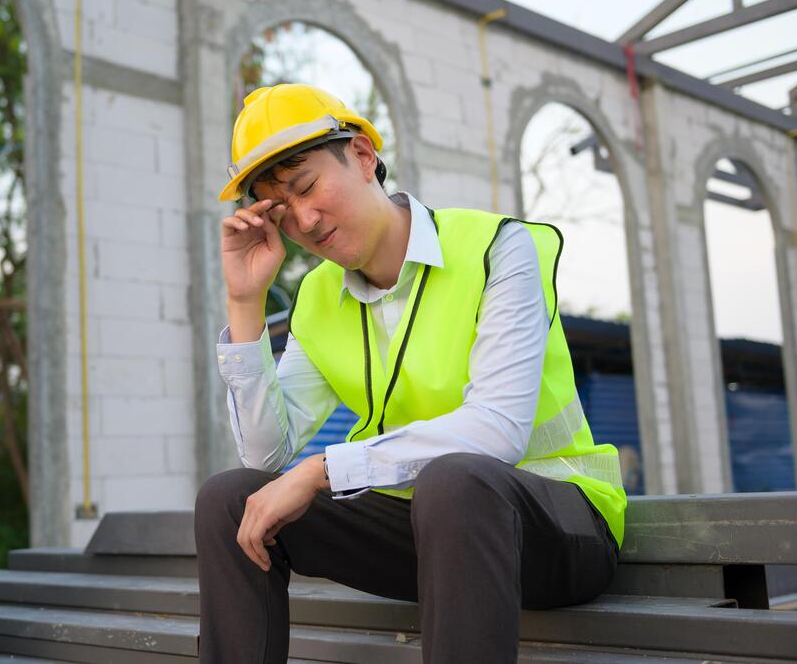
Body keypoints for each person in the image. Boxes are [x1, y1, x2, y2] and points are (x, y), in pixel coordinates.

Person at [194, 82, 626, 663]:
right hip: (430, 535)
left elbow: (498, 430)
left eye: (307, 186)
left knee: (458, 482)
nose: (305, 219)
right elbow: (265, 458)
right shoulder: (319, 298)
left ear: (364, 156)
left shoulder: (497, 248)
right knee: (230, 499)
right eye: (282, 209)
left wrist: (323, 469)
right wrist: (245, 303)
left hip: (557, 524)